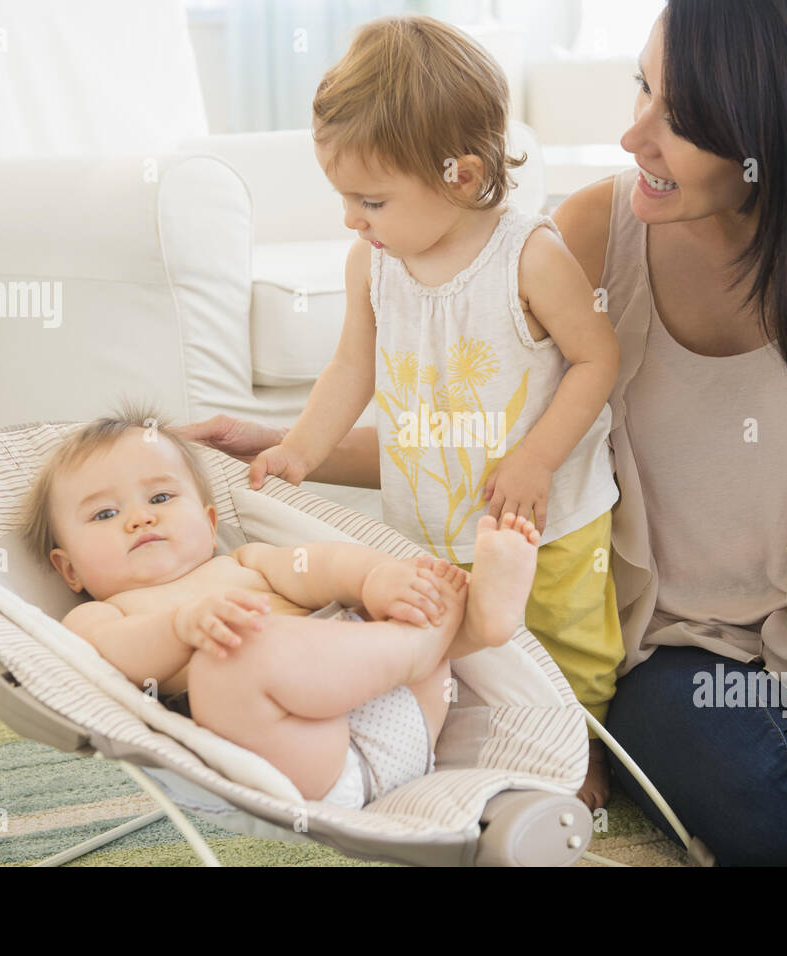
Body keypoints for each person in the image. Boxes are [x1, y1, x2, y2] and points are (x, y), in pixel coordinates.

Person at [184, 0, 787, 864]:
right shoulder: (586, 236)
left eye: (681, 113)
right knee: (766, 826)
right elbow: (488, 448)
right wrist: (287, 446)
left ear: (784, 128)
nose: (633, 135)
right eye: (642, 85)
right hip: (676, 632)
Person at [230, 14, 624, 809]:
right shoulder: (370, 264)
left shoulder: (529, 256)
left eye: (369, 199)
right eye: (343, 197)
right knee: (455, 638)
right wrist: (299, 451)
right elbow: (352, 367)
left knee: (563, 645)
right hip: (433, 513)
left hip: (542, 520)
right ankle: (463, 752)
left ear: (461, 174)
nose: (351, 218)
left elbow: (598, 358)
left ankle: (582, 755)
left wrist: (536, 458)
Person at [18, 405, 542, 809]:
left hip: (403, 708)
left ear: (207, 519)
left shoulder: (247, 561)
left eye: (159, 499)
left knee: (404, 592)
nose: (139, 520)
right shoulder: (98, 616)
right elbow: (119, 654)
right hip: (310, 763)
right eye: (105, 513)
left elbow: (321, 563)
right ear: (69, 570)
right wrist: (182, 626)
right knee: (229, 656)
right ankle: (434, 638)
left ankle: (485, 621)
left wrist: (377, 578)